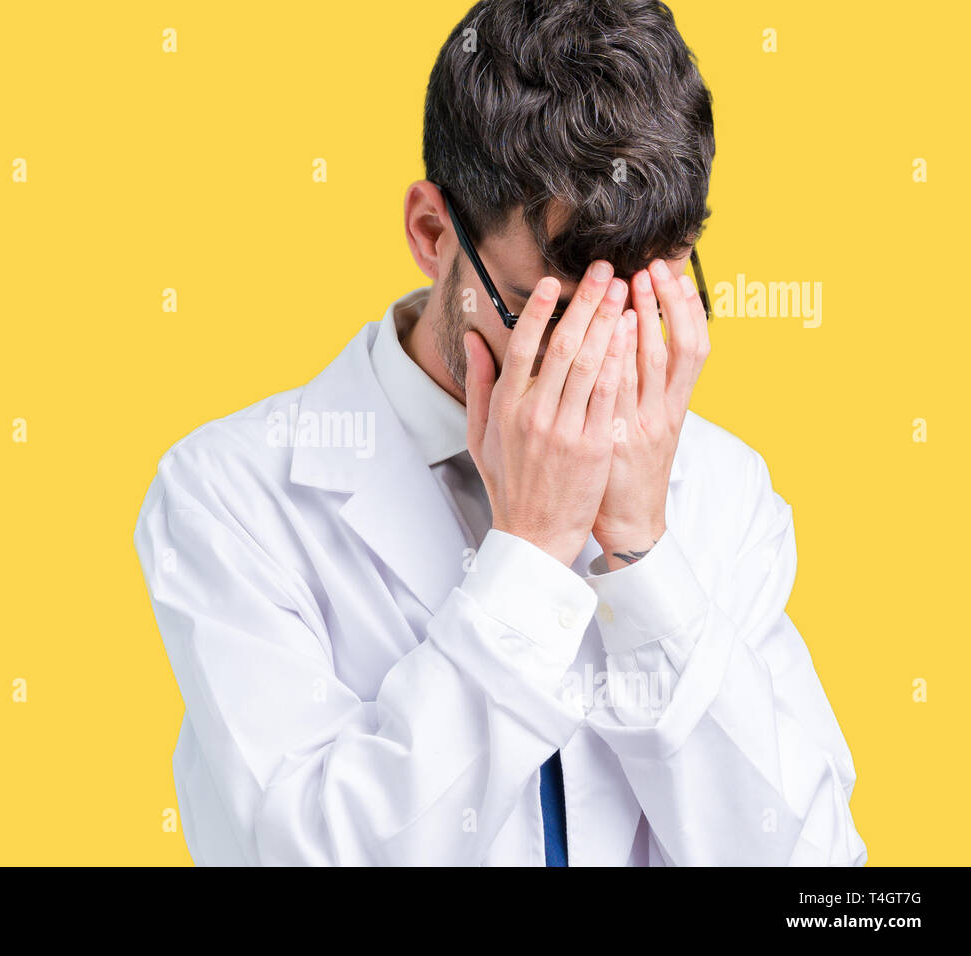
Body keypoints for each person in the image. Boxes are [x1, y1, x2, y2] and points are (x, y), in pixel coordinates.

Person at [134, 0, 866, 866]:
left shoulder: (724, 488)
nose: (590, 365)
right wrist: (531, 552)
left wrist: (642, 555)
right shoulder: (229, 494)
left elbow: (814, 872)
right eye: (540, 312)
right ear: (432, 232)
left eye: (636, 310)